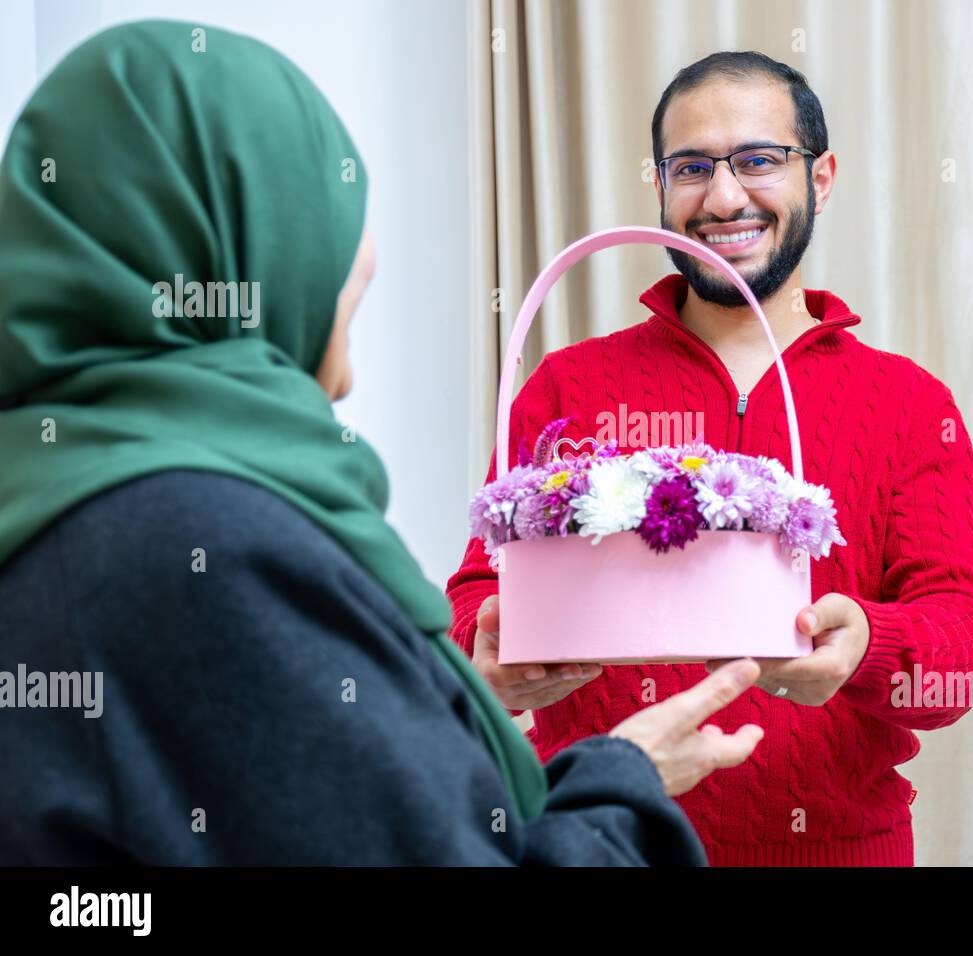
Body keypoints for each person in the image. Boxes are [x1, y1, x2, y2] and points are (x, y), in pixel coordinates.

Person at [0, 21, 764, 866]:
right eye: (337, 299)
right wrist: (627, 782)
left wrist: (450, 696)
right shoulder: (207, 542)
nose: (347, 379)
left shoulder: (48, 488)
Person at [447, 51, 973, 866]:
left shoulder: (909, 403)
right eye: (692, 167)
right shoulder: (571, 383)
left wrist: (867, 646)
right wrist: (490, 658)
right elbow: (479, 590)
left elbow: (964, 635)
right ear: (660, 187)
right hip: (597, 845)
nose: (724, 196)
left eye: (758, 160)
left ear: (821, 178)